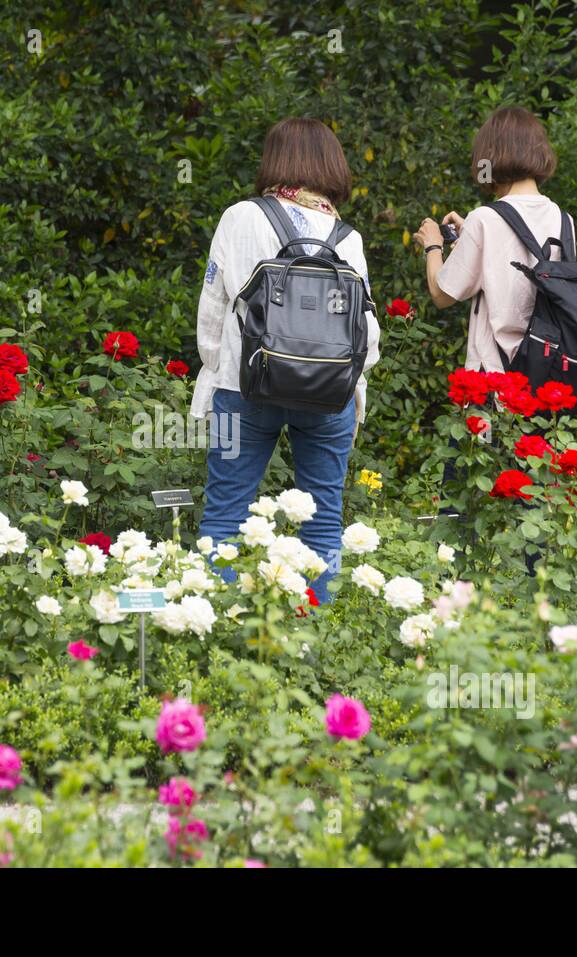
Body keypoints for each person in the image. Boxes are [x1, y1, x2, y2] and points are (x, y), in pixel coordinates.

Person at [191, 117, 380, 604]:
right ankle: (311, 638)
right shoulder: (347, 236)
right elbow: (367, 331)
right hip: (329, 395)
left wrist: (218, 369)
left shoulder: (241, 217)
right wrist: (352, 388)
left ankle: (218, 627)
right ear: (331, 164)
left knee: (226, 515)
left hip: (243, 388)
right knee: (321, 523)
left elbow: (213, 309)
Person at [414, 105, 571, 374]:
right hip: (545, 374)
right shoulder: (563, 219)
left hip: (496, 378)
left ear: (491, 157)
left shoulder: (485, 219)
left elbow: (442, 294)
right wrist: (471, 235)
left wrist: (433, 246)